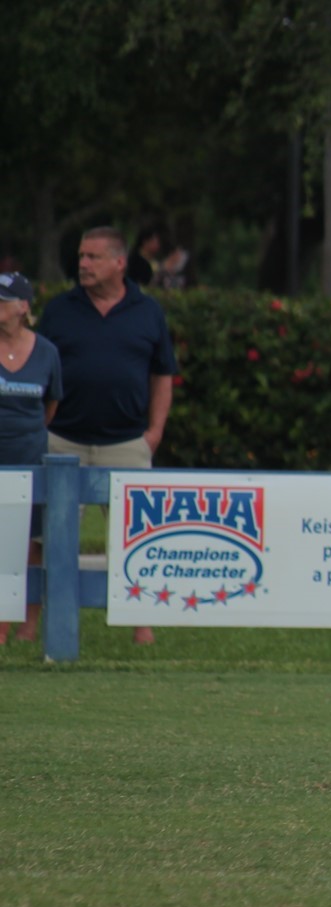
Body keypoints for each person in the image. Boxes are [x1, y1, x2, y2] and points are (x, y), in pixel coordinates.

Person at [38, 226, 179, 647]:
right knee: (44, 537)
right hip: (62, 442)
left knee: (135, 539)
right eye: (81, 256)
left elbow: (163, 374)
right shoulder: (60, 310)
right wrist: (41, 430)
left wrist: (154, 432)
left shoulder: (148, 311)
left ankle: (142, 626)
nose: (82, 264)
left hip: (126, 443)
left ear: (119, 262)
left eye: (93, 257)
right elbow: (38, 369)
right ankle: (30, 622)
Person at [0, 272, 63, 645]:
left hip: (30, 457)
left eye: (4, 300)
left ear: (24, 307)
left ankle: (27, 625)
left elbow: (50, 406)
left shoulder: (46, 352)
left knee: (30, 542)